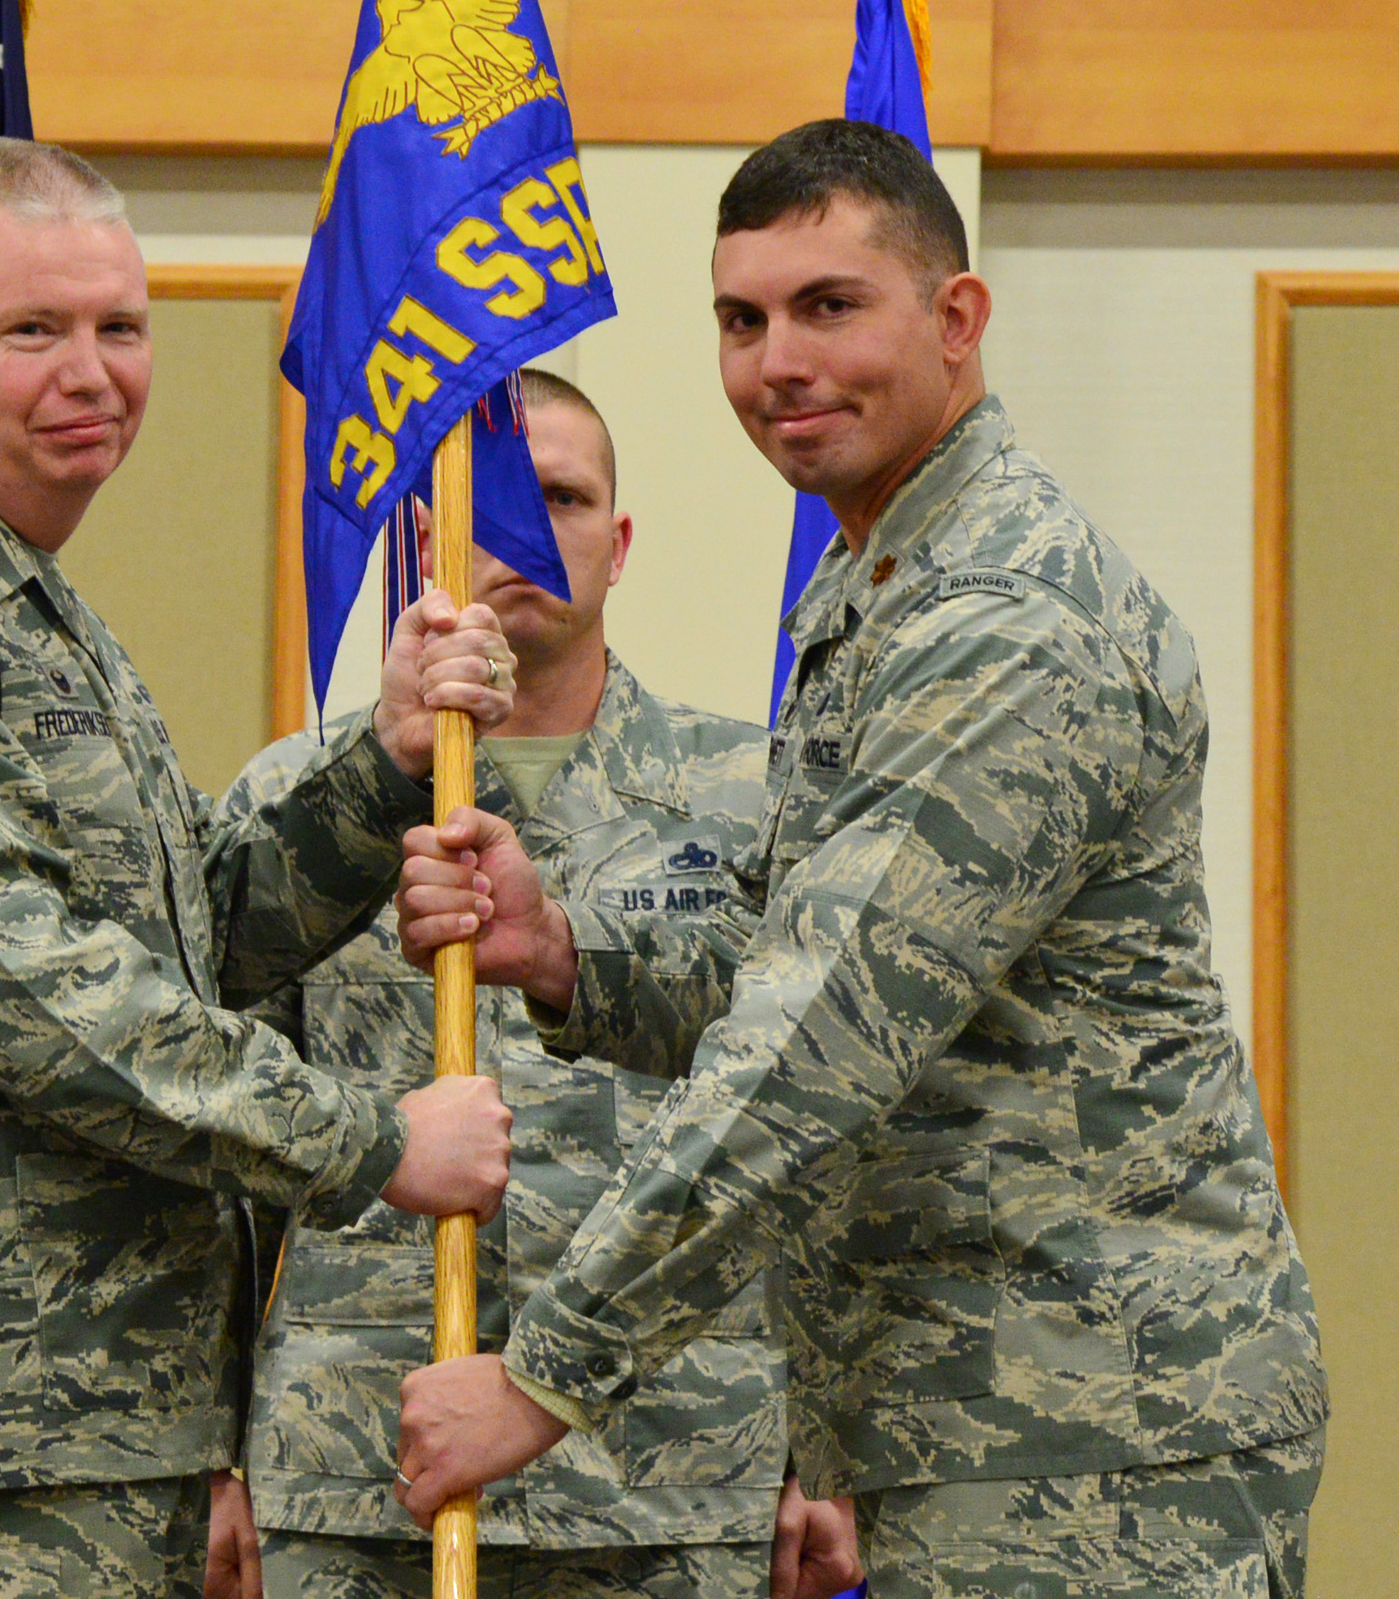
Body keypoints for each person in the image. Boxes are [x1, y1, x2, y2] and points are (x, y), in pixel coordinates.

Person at [392, 121, 1329, 1598]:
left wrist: (545, 1373)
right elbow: (799, 946)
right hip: (981, 1413)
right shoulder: (876, 576)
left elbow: (820, 1037)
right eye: (742, 319)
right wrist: (567, 951)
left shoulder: (1007, 621)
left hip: (1099, 1425)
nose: (778, 363)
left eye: (831, 306)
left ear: (955, 321)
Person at [0, 138, 514, 1599]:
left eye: (120, 329)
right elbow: (19, 975)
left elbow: (195, 925)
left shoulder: (34, 603)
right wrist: (371, 1143)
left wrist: (381, 764)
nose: (92, 373)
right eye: (34, 330)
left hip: (96, 1441)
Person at [222, 370, 831, 1599]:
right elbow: (217, 1169)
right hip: (354, 1473)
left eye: (560, 497)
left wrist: (834, 1444)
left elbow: (823, 1135)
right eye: (494, 497)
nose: (526, 530)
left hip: (671, 1474)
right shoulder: (302, 806)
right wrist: (208, 1452)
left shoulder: (761, 800)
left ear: (619, 541)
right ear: (428, 530)